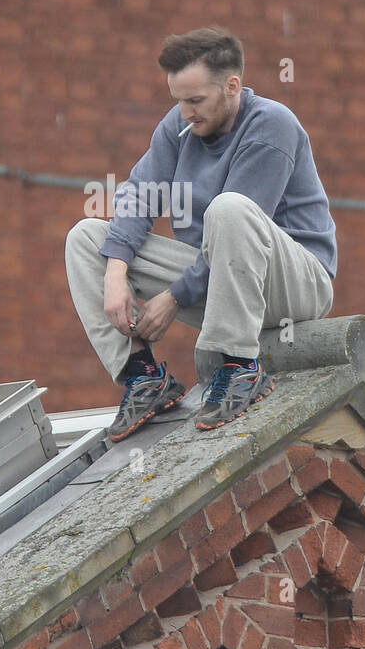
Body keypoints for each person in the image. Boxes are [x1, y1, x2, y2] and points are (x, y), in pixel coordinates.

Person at [64, 26, 339, 443]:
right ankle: (144, 378)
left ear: (232, 86)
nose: (186, 112)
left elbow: (239, 224)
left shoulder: (271, 124)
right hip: (219, 279)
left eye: (196, 100)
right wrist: (116, 273)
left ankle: (240, 366)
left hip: (293, 286)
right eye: (178, 100)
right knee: (86, 237)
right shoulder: (180, 125)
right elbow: (138, 195)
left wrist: (173, 298)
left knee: (229, 208)